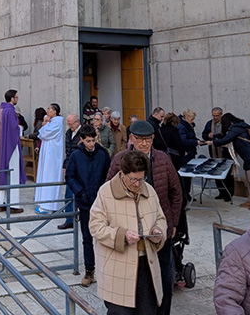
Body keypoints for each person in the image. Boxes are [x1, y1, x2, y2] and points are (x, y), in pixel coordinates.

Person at [109, 120, 183, 312]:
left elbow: (176, 192)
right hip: (132, 233)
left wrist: (173, 222)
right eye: (139, 139)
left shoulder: (164, 160)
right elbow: (108, 192)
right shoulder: (119, 160)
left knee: (164, 277)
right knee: (137, 280)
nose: (144, 144)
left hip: (159, 230)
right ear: (131, 139)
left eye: (148, 139)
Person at [89, 150, 167, 315]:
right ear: (123, 173)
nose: (138, 184)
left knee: (148, 310)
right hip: (117, 265)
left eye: (141, 178)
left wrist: (158, 230)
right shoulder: (105, 192)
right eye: (133, 179)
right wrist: (121, 235)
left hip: (146, 264)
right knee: (120, 311)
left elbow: (160, 218)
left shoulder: (149, 191)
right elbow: (95, 226)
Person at [66, 124, 111, 287]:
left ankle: (106, 270)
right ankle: (89, 270)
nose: (91, 144)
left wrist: (104, 193)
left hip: (101, 202)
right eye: (88, 141)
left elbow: (109, 175)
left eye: (93, 140)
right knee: (87, 238)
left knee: (105, 237)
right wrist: (80, 193)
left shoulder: (103, 154)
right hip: (85, 202)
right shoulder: (76, 156)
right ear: (82, 140)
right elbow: (70, 177)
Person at [207, 114, 250, 208]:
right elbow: (225, 135)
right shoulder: (237, 126)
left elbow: (226, 139)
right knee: (248, 181)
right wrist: (215, 135)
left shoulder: (236, 128)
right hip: (248, 158)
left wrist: (212, 142)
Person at [0, 89, 26, 213]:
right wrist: (20, 128)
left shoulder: (0, 109)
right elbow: (14, 129)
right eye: (16, 97)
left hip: (1, 146)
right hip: (10, 146)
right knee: (12, 174)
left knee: (2, 172)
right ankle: (13, 205)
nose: (17, 99)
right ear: (12, 98)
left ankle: (1, 203)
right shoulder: (10, 111)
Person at [35, 103, 65, 214]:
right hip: (47, 152)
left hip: (52, 155)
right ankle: (43, 203)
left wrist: (45, 125)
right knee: (45, 175)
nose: (47, 111)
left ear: (55, 111)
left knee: (50, 176)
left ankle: (48, 206)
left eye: (49, 109)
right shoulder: (52, 122)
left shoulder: (57, 123)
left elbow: (44, 133)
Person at [58, 113, 83, 230]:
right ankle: (69, 219)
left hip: (81, 168)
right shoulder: (68, 133)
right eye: (68, 124)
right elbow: (68, 152)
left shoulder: (83, 133)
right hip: (70, 167)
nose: (69, 126)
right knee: (68, 194)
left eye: (71, 124)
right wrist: (65, 165)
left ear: (77, 123)